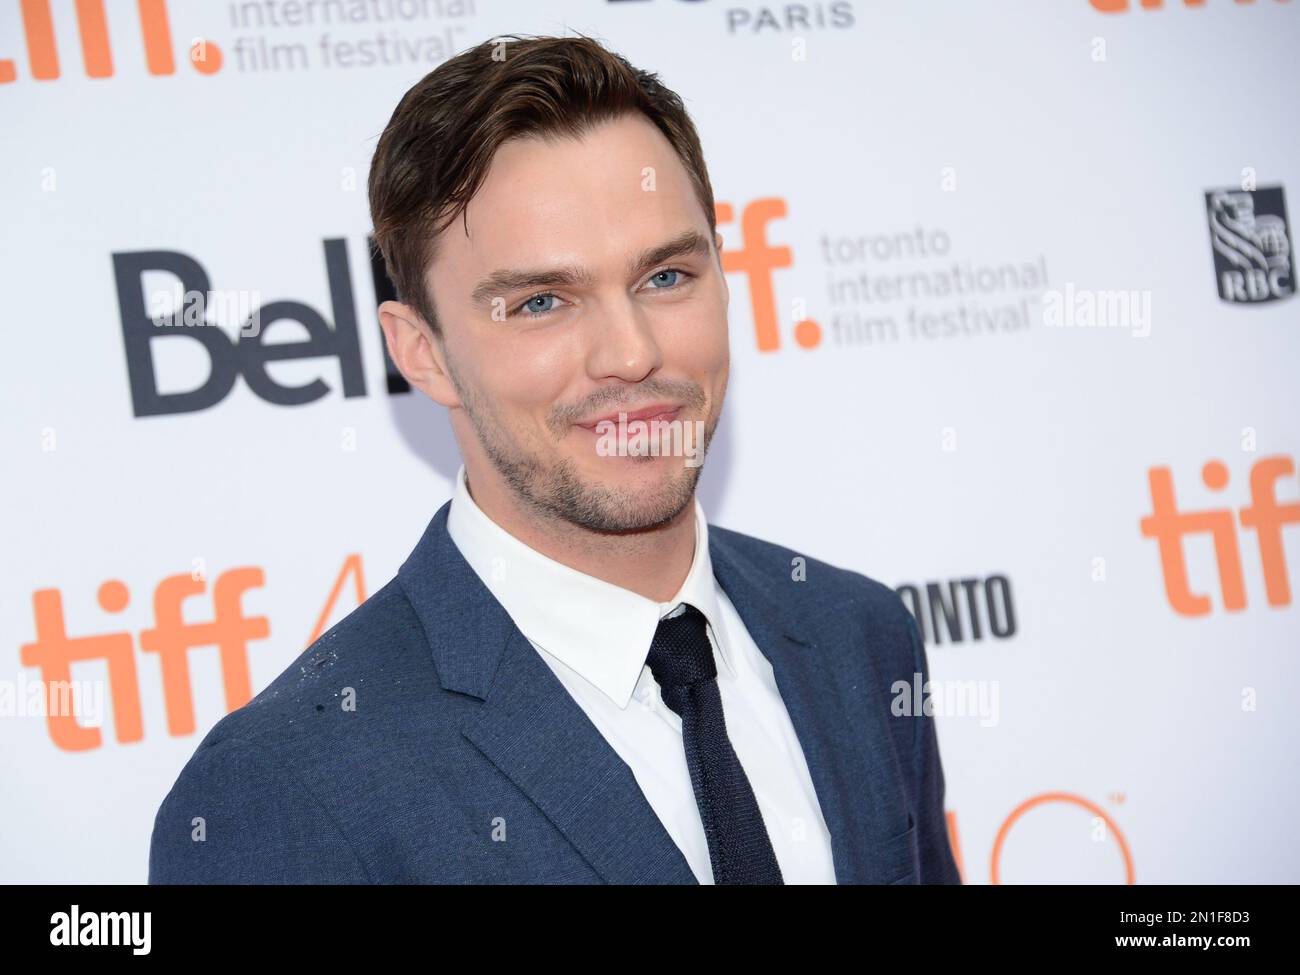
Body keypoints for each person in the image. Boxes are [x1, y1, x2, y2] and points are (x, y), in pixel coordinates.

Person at [148, 32, 962, 885]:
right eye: (542, 301)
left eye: (666, 277)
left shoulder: (858, 637)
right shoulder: (286, 787)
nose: (631, 352)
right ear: (420, 352)